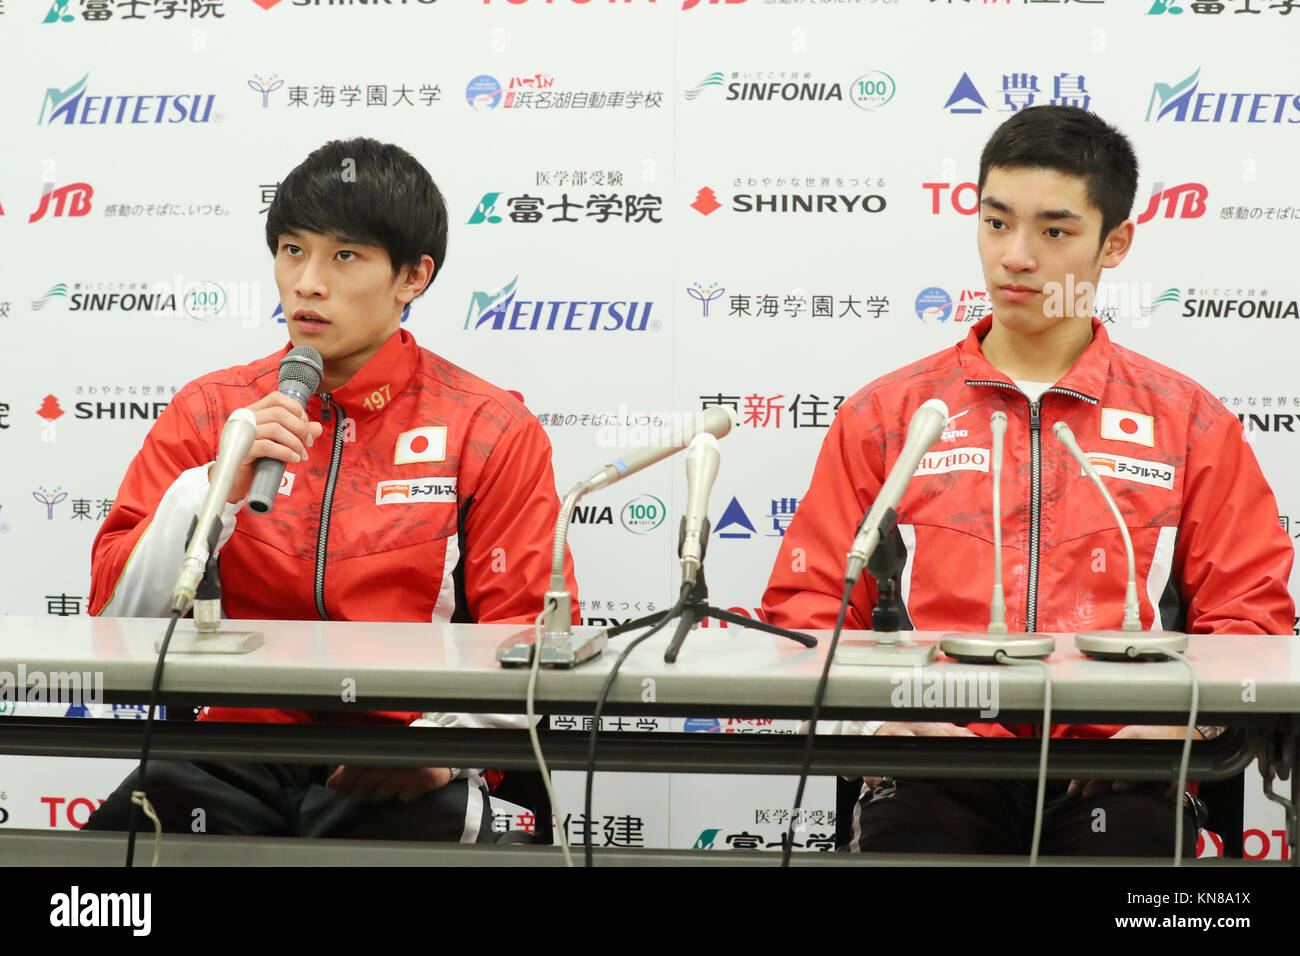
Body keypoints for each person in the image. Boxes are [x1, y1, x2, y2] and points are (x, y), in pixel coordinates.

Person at [762, 106, 1294, 857]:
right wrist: (872, 716)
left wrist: (1177, 724)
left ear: (1115, 244)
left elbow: (1252, 618)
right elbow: (807, 606)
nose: (1015, 257)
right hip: (938, 760)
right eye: (996, 222)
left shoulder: (1188, 422)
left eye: (1054, 231)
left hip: (1125, 767)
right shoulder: (891, 416)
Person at [84, 138, 577, 842]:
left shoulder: (488, 427)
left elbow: (536, 635)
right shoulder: (210, 411)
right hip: (229, 754)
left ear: (413, 277)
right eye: (291, 250)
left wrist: (439, 746)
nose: (307, 282)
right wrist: (212, 487)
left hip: (401, 753)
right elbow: (115, 617)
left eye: (344, 256)